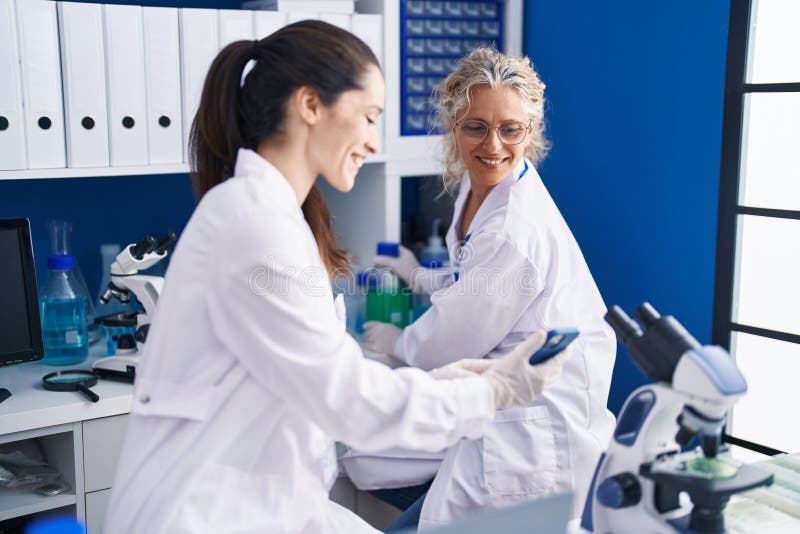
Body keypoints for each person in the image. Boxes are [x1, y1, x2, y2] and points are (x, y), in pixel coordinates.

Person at [103, 22, 570, 534]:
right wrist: (491, 392)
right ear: (310, 104)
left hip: (254, 502)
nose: (373, 140)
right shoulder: (254, 225)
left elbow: (320, 383)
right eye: (369, 117)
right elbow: (348, 398)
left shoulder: (272, 216)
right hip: (202, 513)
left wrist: (457, 381)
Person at [362, 47, 617, 529]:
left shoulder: (513, 229)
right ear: (454, 125)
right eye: (476, 127)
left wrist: (400, 344)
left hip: (533, 430)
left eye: (510, 129)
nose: (492, 145)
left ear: (530, 130)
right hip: (499, 402)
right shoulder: (484, 185)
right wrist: (421, 276)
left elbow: (450, 342)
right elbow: (476, 284)